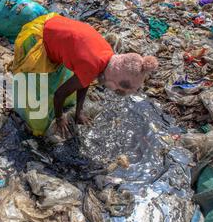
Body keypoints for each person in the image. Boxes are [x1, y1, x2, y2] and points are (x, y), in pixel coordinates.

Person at [11, 13, 159, 137]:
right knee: (37, 115)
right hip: (38, 37)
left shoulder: (107, 55)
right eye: (116, 89)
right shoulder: (93, 66)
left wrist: (79, 112)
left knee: (66, 86)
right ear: (115, 82)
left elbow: (85, 80)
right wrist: (59, 118)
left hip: (54, 23)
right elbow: (59, 94)